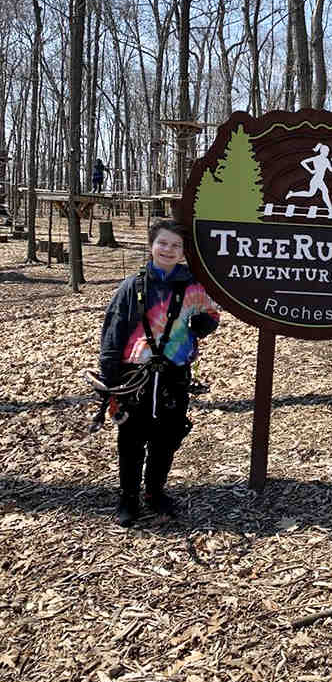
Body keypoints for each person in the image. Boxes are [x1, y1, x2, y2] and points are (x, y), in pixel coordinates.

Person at [99, 219, 220, 527]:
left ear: (183, 251)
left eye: (175, 245)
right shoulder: (132, 287)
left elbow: (210, 315)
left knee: (167, 437)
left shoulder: (193, 285)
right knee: (131, 438)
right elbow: (113, 333)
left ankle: (155, 492)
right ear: (151, 245)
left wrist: (204, 325)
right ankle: (128, 497)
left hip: (174, 374)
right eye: (163, 243)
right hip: (134, 378)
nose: (168, 250)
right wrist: (110, 379)